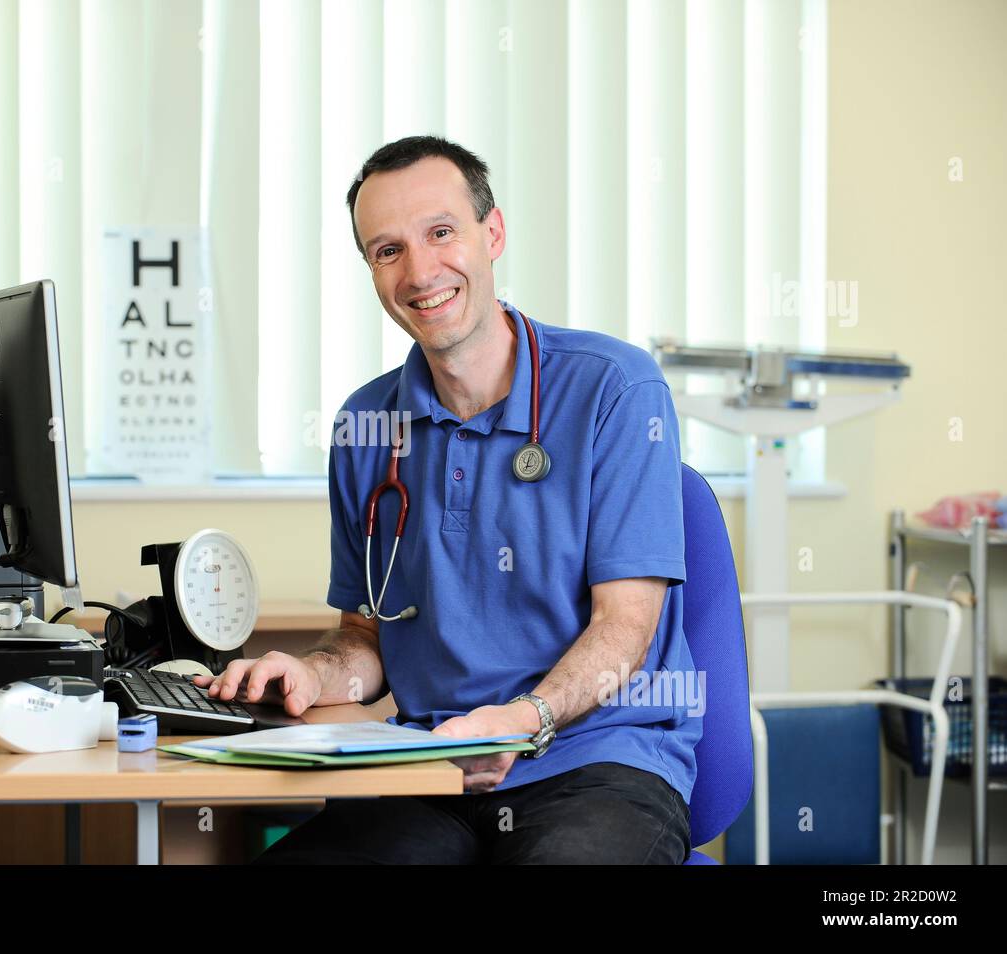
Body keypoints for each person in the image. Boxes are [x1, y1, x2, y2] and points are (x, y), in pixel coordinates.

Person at [192, 135, 700, 864]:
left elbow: (627, 629)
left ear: (492, 234)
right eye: (387, 250)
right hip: (434, 770)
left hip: (597, 763)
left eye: (440, 233)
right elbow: (368, 642)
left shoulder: (614, 390)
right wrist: (313, 674)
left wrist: (523, 719)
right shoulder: (368, 428)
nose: (420, 271)